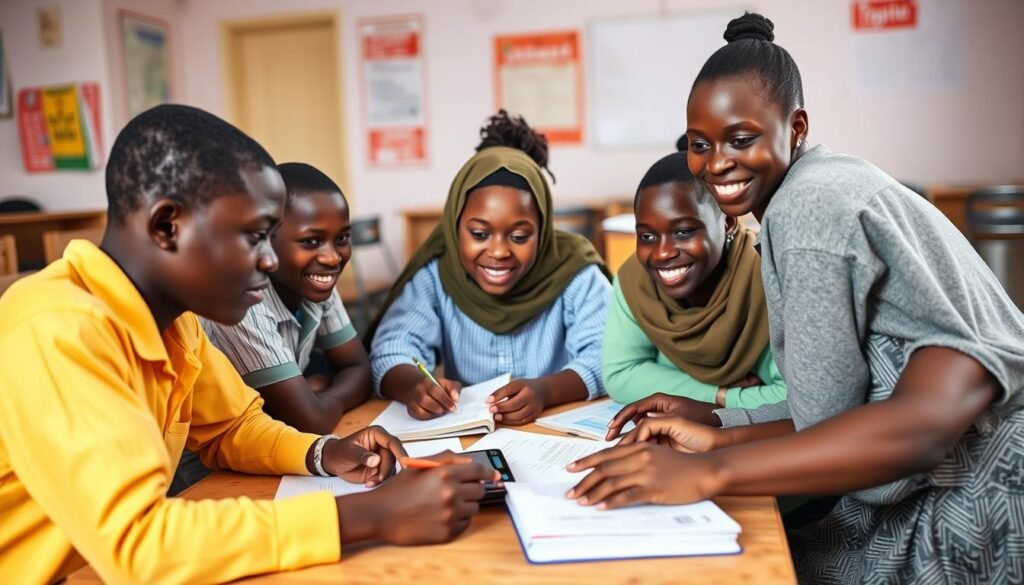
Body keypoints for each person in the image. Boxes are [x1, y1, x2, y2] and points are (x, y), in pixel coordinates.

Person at [568, 13, 1024, 584]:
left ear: (796, 126)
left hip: (979, 499)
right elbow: (829, 410)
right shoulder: (814, 190)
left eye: (742, 139)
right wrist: (718, 423)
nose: (716, 165)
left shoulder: (807, 209)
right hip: (929, 482)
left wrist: (712, 468)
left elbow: (919, 428)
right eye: (700, 145)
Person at [0, 104, 496, 584]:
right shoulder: (60, 328)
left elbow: (232, 428)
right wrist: (368, 515)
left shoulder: (176, 325)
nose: (270, 260)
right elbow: (141, 546)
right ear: (166, 226)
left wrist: (325, 453)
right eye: (255, 236)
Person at [369, 110, 611, 425]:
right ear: (455, 227)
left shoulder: (575, 272)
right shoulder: (436, 275)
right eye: (480, 234)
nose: (498, 251)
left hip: (557, 433)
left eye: (520, 236)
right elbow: (392, 349)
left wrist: (546, 391)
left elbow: (608, 355)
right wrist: (417, 385)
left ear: (544, 229)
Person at [602, 150, 786, 427]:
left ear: (727, 223)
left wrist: (662, 382)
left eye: (684, 231)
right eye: (647, 236)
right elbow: (619, 375)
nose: (662, 253)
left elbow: (793, 399)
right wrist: (719, 395)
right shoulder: (634, 281)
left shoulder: (767, 279)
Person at [202, 162, 371, 434]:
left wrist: (320, 399)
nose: (332, 257)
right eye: (311, 241)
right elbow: (310, 420)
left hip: (268, 445)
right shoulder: (242, 299)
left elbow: (360, 368)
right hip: (206, 462)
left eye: (342, 238)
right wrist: (314, 393)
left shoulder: (314, 280)